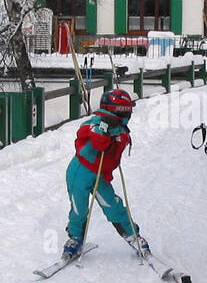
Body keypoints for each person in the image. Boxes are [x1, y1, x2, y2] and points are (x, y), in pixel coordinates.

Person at [63, 88, 148, 258]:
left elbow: (118, 144)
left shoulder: (122, 129)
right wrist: (100, 133)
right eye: (125, 113)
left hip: (99, 175)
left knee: (113, 204)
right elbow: (84, 131)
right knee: (79, 209)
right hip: (79, 173)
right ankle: (75, 238)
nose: (127, 117)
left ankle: (132, 235)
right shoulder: (96, 121)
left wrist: (112, 140)